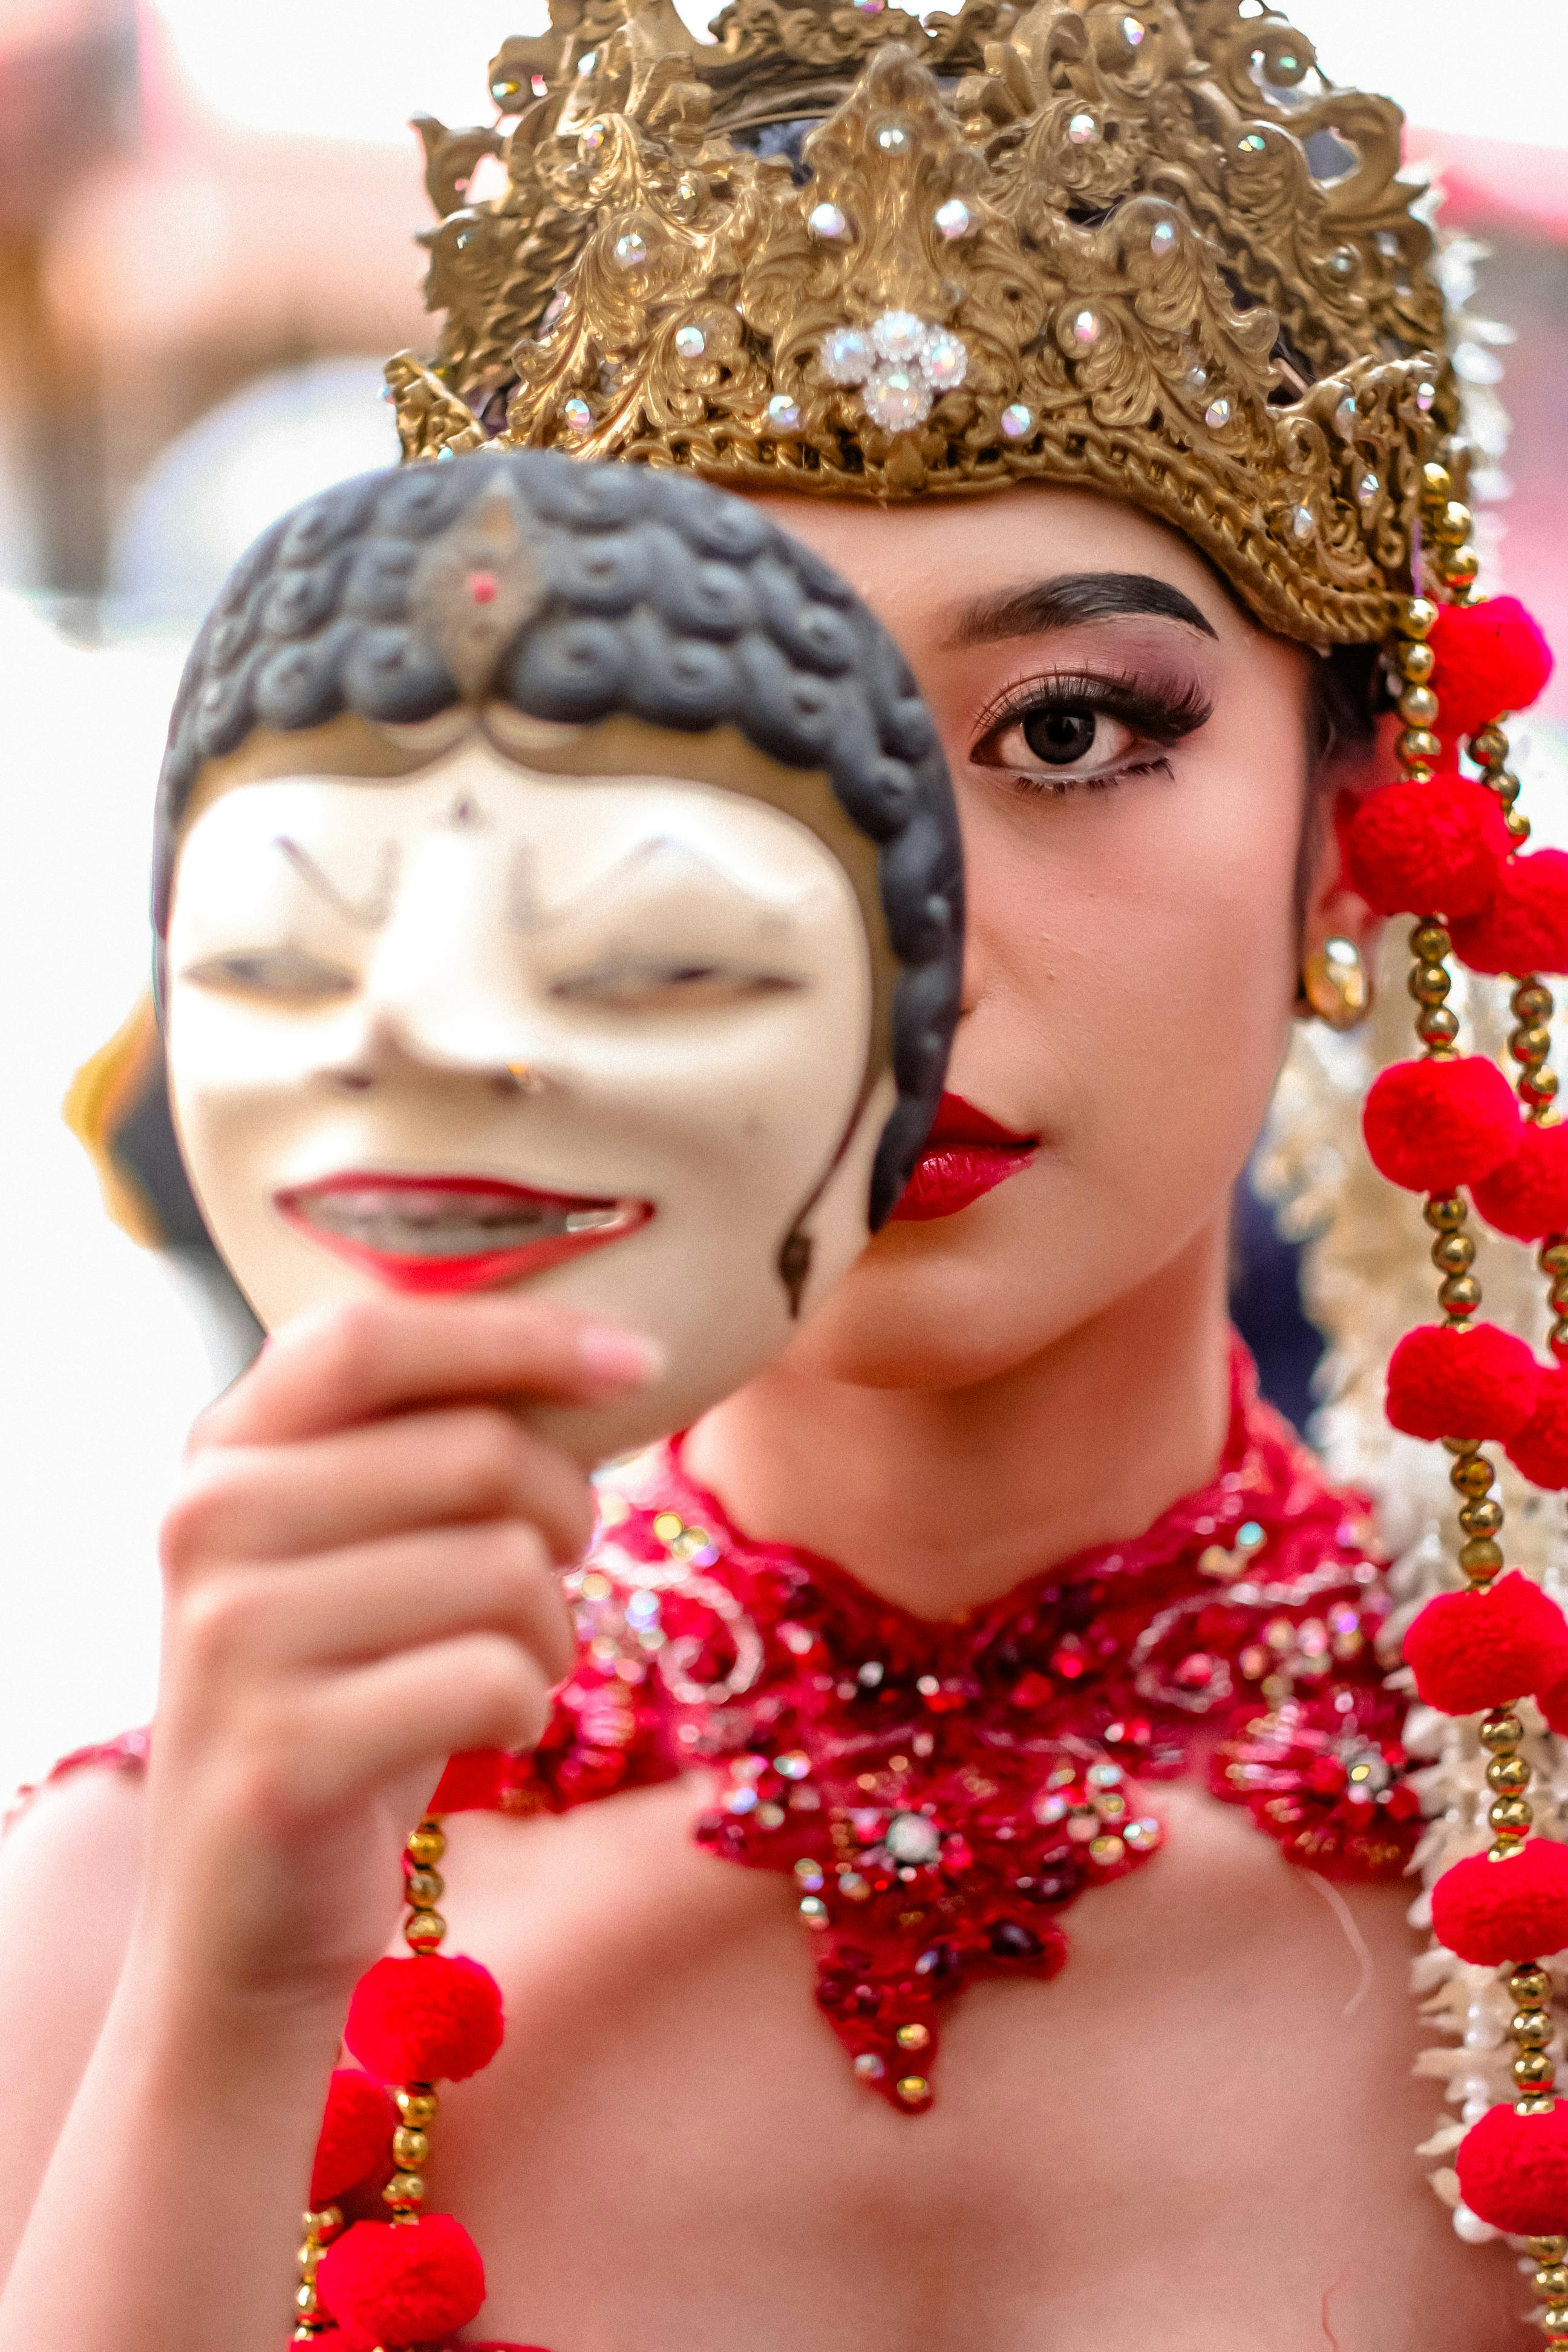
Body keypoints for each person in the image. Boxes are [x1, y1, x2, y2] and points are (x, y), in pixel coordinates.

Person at [1, 2, 1563, 2348]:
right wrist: (233, 2005)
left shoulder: (1513, 1915)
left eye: (1064, 731)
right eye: (731, 776)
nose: (894, 932)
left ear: (1361, 833)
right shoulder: (161, 1910)